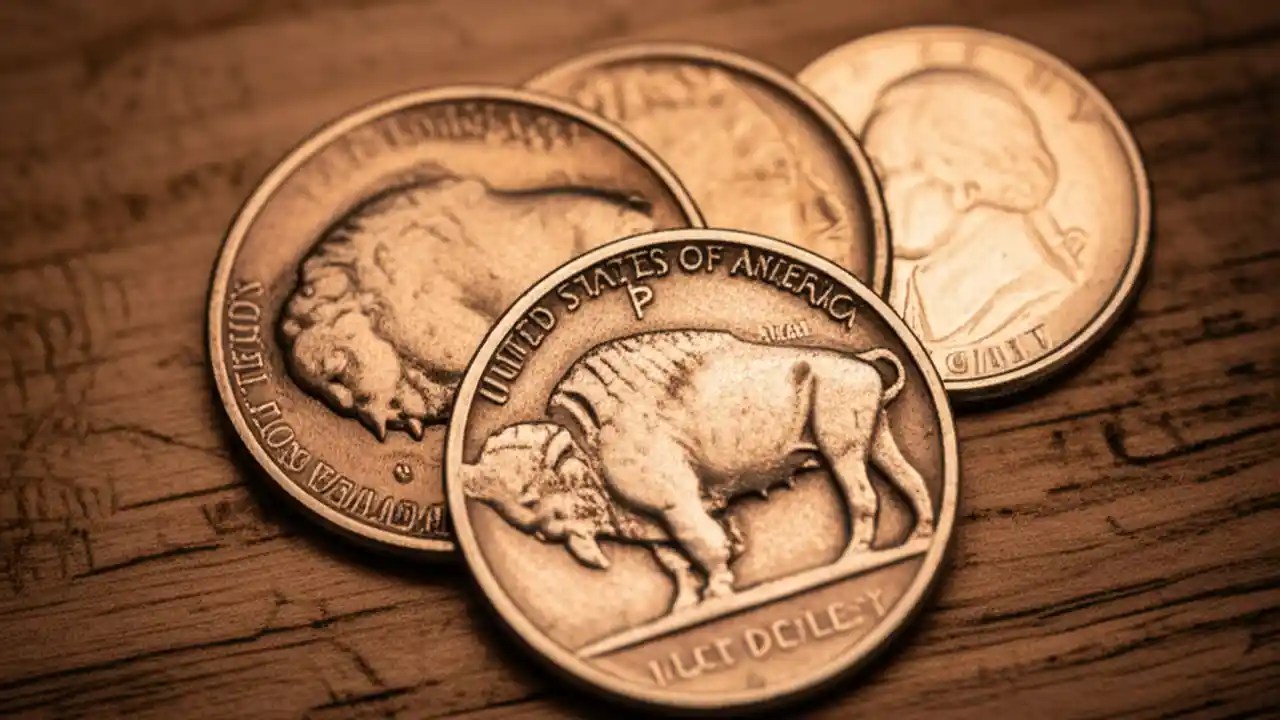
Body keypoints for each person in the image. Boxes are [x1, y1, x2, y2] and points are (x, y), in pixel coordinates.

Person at [862, 68, 1087, 346]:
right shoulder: (908, 301)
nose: (863, 195)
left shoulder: (1036, 303)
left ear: (969, 185)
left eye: (881, 176)